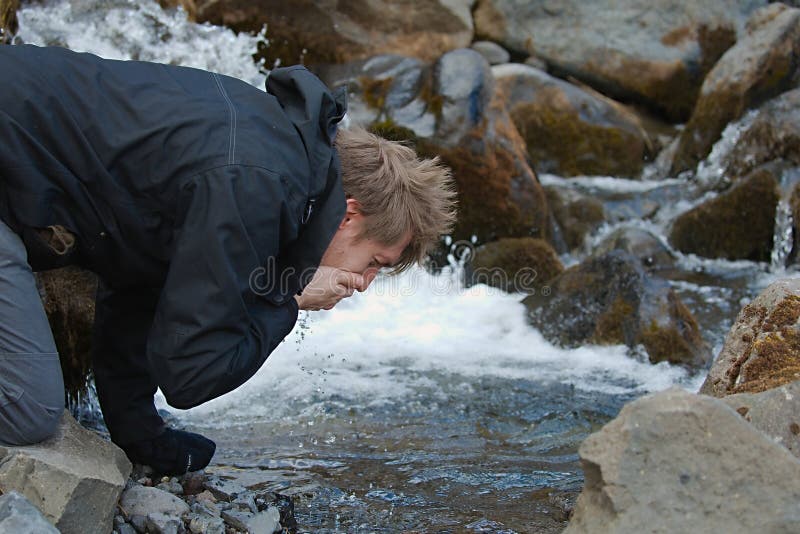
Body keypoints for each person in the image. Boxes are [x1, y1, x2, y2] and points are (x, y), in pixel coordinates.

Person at [0, 44, 456, 474]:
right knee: (29, 411)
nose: (364, 282)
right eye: (375, 261)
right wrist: (287, 302)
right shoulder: (253, 186)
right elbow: (189, 372)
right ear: (350, 217)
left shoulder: (279, 160)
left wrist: (139, 436)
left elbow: (139, 284)